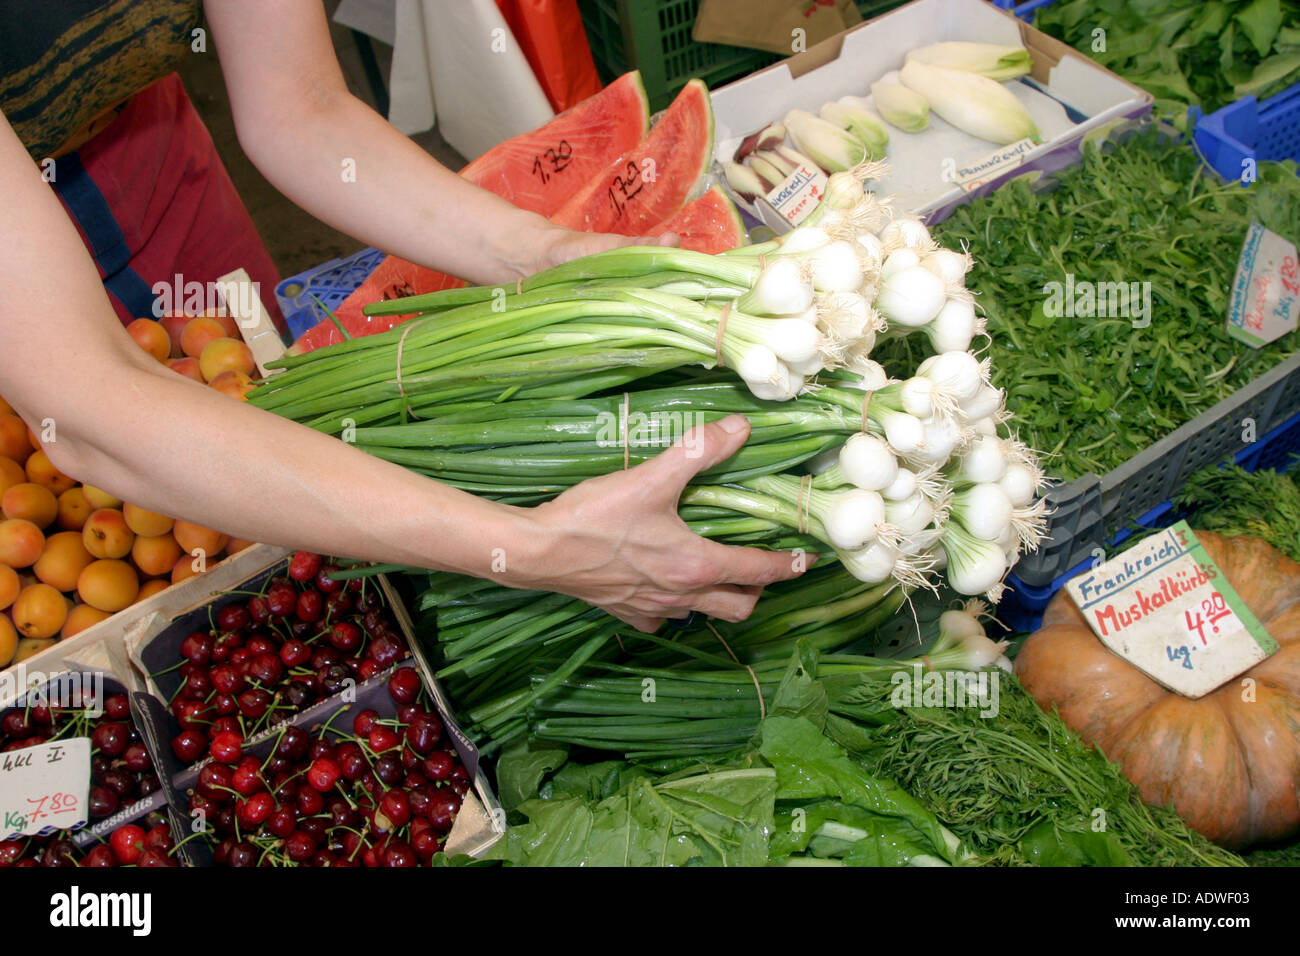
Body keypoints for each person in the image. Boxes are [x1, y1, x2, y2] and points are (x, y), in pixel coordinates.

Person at [0, 0, 806, 635]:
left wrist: (544, 250)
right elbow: (90, 408)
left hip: (143, 141)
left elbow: (303, 107)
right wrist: (537, 550)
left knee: (257, 391)